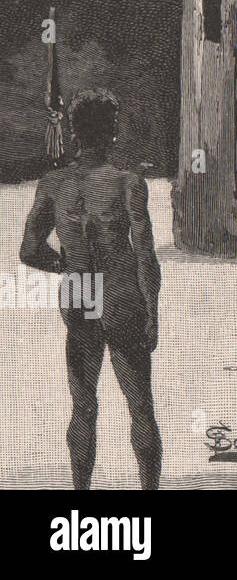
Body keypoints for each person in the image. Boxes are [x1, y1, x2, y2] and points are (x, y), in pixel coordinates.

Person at [20, 88, 162, 490]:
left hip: (80, 292)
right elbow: (146, 256)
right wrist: (153, 311)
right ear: (112, 133)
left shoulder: (53, 184)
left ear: (74, 132)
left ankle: (80, 494)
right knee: (141, 409)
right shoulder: (128, 183)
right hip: (121, 295)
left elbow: (29, 250)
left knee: (83, 406)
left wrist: (64, 262)